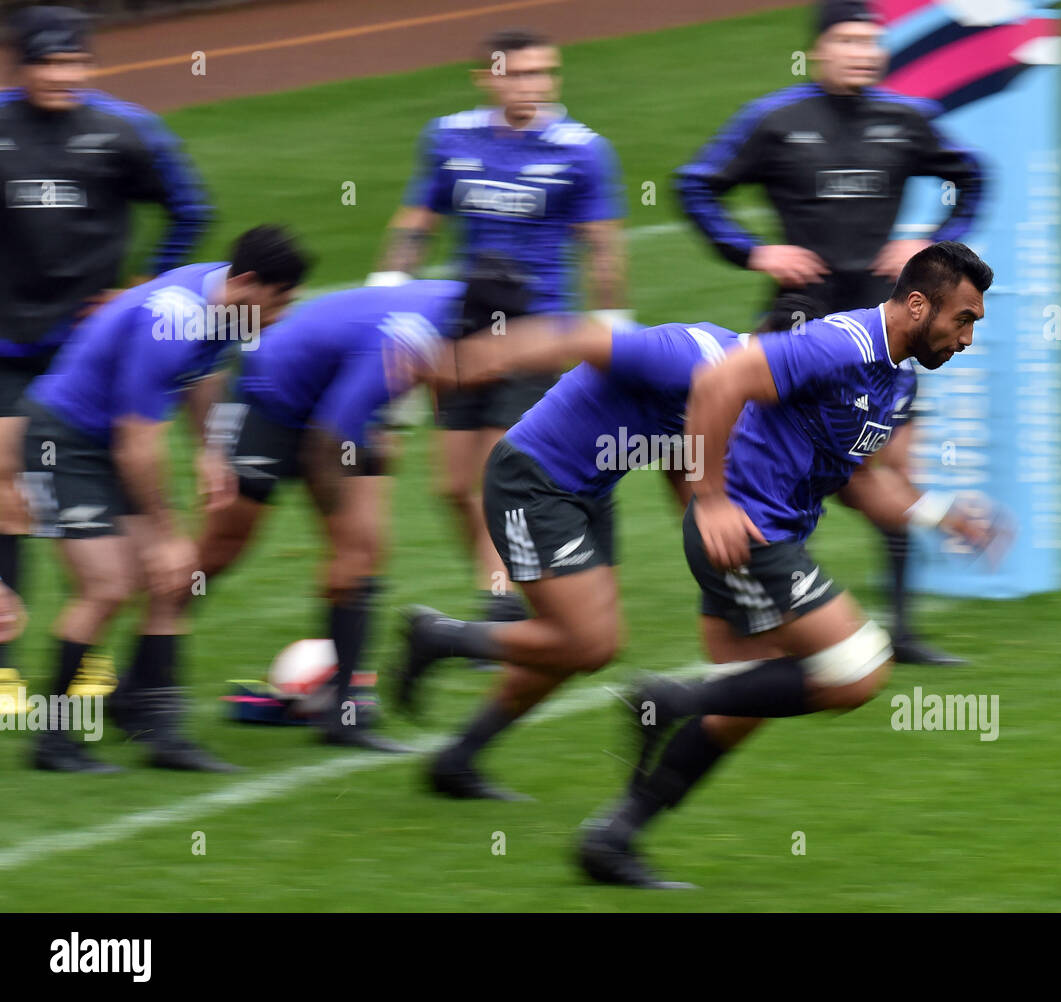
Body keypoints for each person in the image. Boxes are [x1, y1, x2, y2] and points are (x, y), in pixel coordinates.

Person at [577, 242, 1003, 888]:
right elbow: (721, 381)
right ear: (918, 305)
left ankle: (613, 838)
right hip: (746, 533)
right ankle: (667, 699)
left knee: (740, 709)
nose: (967, 338)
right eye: (963, 319)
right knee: (859, 668)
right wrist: (710, 497)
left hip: (762, 538)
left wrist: (942, 515)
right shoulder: (838, 344)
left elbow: (862, 482)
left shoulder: (896, 379)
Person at [675, 0, 984, 665]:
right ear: (818, 50)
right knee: (785, 463)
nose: (860, 53)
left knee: (890, 469)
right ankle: (774, 605)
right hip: (801, 324)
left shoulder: (905, 119)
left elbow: (973, 176)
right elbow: (695, 185)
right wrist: (754, 252)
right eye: (846, 41)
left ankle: (901, 630)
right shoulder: (776, 120)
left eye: (870, 42)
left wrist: (932, 241)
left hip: (888, 328)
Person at [396, 315, 746, 800]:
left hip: (589, 490)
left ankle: (457, 759)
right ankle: (438, 637)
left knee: (577, 644)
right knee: (587, 643)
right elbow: (579, 336)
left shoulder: (733, 384)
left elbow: (683, 457)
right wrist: (466, 362)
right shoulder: (689, 357)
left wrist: (710, 543)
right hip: (533, 482)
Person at [196, 263, 531, 752]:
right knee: (221, 550)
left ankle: (342, 716)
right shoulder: (408, 341)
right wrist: (339, 528)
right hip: (271, 400)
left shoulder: (470, 304)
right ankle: (142, 686)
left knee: (364, 554)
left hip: (337, 400)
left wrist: (386, 427)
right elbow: (327, 440)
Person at [373, 27, 627, 655]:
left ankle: (503, 606)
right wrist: (386, 293)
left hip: (536, 333)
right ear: (487, 79)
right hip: (463, 329)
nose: (534, 86)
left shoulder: (582, 151)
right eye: (519, 74)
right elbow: (416, 224)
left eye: (544, 73)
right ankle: (504, 590)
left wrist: (612, 327)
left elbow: (602, 246)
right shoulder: (449, 138)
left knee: (495, 472)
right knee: (452, 486)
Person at [21, 225, 309, 773]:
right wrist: (166, 535)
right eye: (279, 300)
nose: (282, 314)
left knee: (169, 584)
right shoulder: (172, 321)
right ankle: (52, 739)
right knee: (107, 588)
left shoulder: (230, 302)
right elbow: (136, 443)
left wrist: (210, 451)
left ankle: (158, 730)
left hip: (109, 440)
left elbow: (205, 375)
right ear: (249, 282)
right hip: (66, 440)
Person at [0, 6, 210, 684]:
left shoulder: (124, 130)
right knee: (9, 491)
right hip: (8, 346)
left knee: (98, 496)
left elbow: (191, 210)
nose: (64, 76)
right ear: (21, 65)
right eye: (48, 64)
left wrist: (142, 287)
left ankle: (88, 653)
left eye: (76, 63)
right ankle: (2, 667)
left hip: (87, 351)